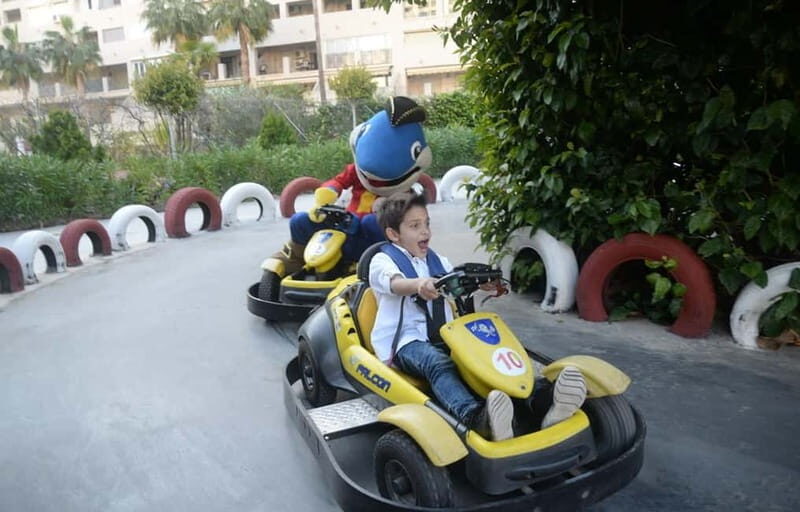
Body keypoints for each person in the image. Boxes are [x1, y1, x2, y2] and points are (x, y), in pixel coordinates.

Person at [369, 191, 587, 441]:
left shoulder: (436, 260)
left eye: (426, 223)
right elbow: (395, 283)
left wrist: (483, 284)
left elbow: (455, 283)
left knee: (487, 357)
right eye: (415, 226)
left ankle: (541, 400)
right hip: (404, 342)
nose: (425, 231)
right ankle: (475, 418)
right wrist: (418, 284)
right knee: (438, 363)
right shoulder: (382, 261)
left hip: (443, 335)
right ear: (393, 234)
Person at [268, 96, 431, 278]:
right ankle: (296, 258)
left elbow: (406, 215)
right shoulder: (356, 171)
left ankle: (369, 263)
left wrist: (385, 207)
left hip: (367, 235)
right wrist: (327, 195)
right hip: (348, 222)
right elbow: (338, 182)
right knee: (299, 220)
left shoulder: (404, 190)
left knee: (371, 223)